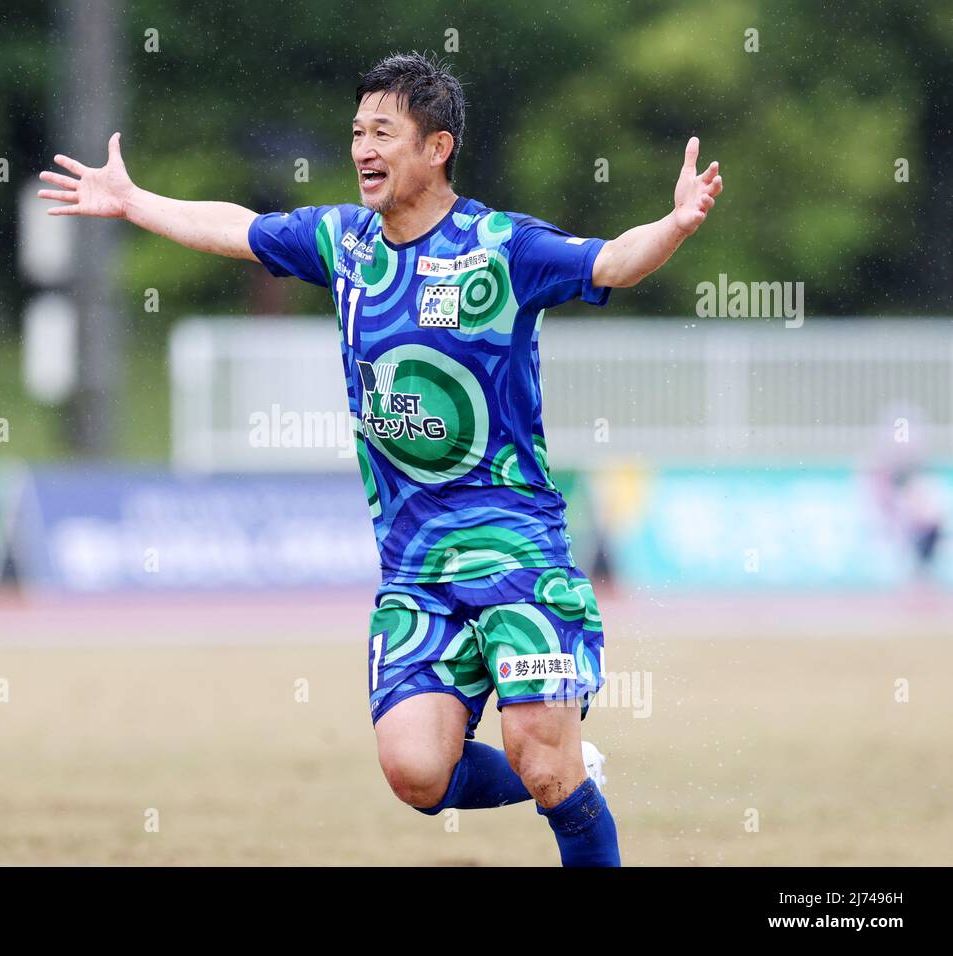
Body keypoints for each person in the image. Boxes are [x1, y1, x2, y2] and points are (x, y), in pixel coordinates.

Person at [39, 52, 722, 866]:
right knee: (415, 771)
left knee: (541, 756)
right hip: (415, 567)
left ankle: (562, 777)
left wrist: (675, 225)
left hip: (516, 551)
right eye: (357, 131)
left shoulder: (499, 246)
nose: (362, 147)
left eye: (383, 133)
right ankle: (576, 772)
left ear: (436, 148)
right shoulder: (343, 242)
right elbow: (237, 230)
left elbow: (611, 261)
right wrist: (133, 202)